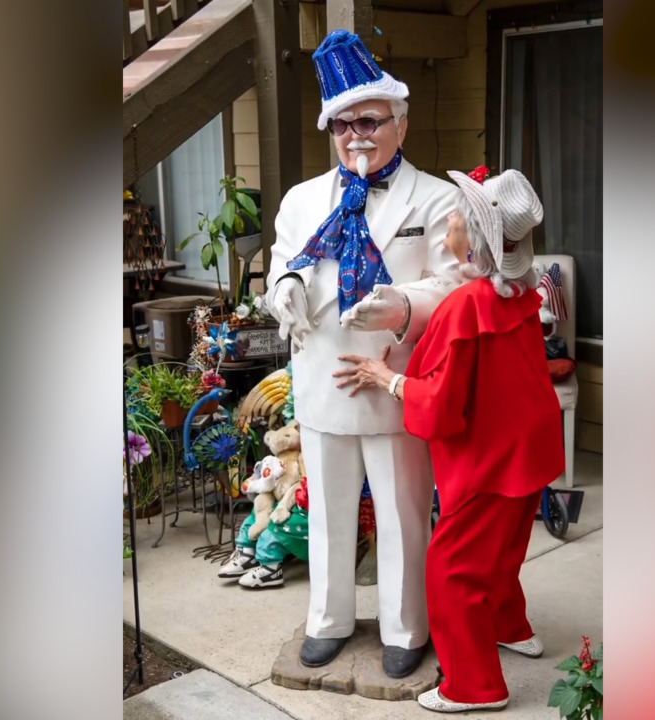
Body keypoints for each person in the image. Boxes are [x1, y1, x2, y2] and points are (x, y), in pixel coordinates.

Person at [261, 29, 461, 678]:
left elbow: (457, 285)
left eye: (370, 121)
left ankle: (407, 629)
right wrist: (283, 290)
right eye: (342, 125)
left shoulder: (436, 200)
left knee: (404, 516)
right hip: (321, 380)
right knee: (328, 514)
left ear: (400, 123)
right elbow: (280, 268)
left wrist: (404, 304)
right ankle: (328, 619)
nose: (357, 137)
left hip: (396, 383)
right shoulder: (300, 201)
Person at [334, 167, 564, 712]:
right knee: (504, 549)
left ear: (477, 239)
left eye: (460, 216)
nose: (451, 220)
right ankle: (511, 625)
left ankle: (474, 687)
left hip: (491, 458)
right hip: (530, 447)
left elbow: (438, 405)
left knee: (452, 570)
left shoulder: (465, 305)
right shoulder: (518, 293)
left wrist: (385, 378)